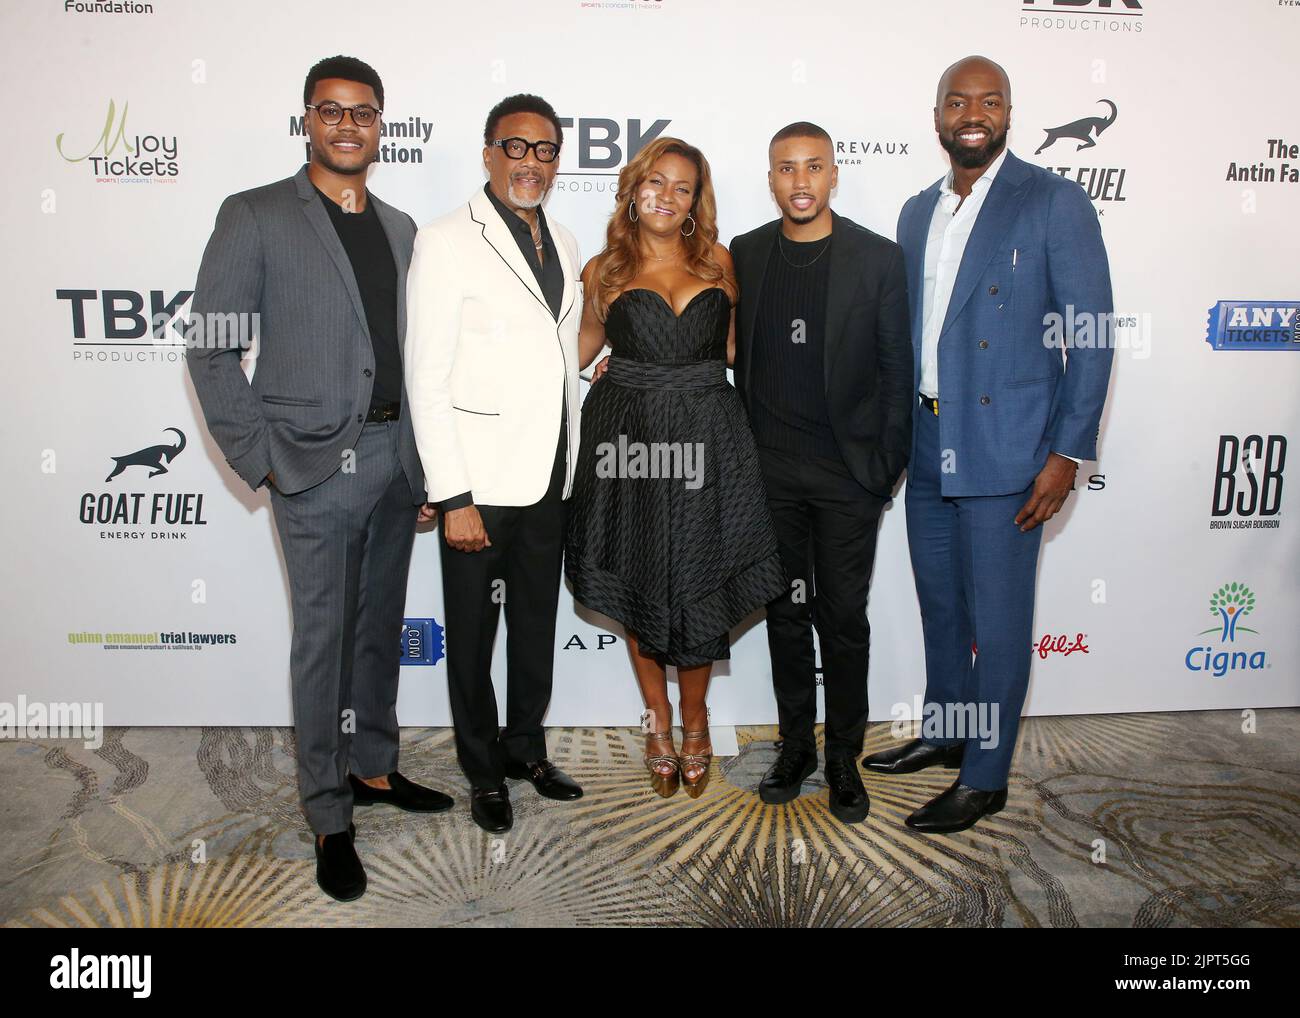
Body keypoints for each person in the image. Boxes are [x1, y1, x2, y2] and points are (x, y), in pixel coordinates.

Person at [187, 55, 452, 902]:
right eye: (330, 110)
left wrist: (422, 465)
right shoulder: (256, 214)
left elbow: (412, 354)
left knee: (378, 631)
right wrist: (262, 457)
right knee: (323, 641)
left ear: (381, 125)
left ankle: (374, 767)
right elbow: (212, 348)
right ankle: (329, 814)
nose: (347, 125)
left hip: (395, 460)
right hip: (311, 463)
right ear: (307, 120)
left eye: (362, 112)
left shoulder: (401, 227)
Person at [863, 56, 1114, 833]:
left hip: (1008, 445)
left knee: (998, 621)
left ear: (1008, 113)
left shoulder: (1052, 202)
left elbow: (1090, 334)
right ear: (937, 115)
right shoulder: (917, 211)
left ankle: (985, 776)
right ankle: (947, 731)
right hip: (928, 435)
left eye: (989, 101)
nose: (973, 114)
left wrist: (1066, 453)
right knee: (941, 602)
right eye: (957, 101)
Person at [569, 137, 787, 799]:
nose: (667, 195)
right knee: (639, 579)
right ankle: (657, 722)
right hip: (627, 437)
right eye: (655, 181)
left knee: (697, 581)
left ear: (696, 202)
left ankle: (697, 722)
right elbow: (575, 348)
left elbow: (733, 350)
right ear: (633, 187)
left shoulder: (719, 261)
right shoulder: (603, 269)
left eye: (682, 187)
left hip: (707, 437)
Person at [404, 94, 584, 834]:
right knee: (474, 638)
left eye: (545, 150)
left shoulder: (565, 240)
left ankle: (525, 749)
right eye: (516, 147)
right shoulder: (446, 239)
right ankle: (483, 771)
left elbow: (556, 350)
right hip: (478, 485)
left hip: (550, 478)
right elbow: (425, 377)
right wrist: (453, 496)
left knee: (535, 627)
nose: (530, 163)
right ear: (488, 153)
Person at [729, 123, 912, 824]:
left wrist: (882, 470)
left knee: (842, 620)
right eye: (786, 168)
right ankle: (796, 748)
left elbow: (897, 372)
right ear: (770, 179)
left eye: (813, 167)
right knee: (785, 614)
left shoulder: (877, 258)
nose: (800, 181)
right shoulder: (746, 253)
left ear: (835, 174)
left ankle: (843, 757)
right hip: (769, 474)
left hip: (846, 476)